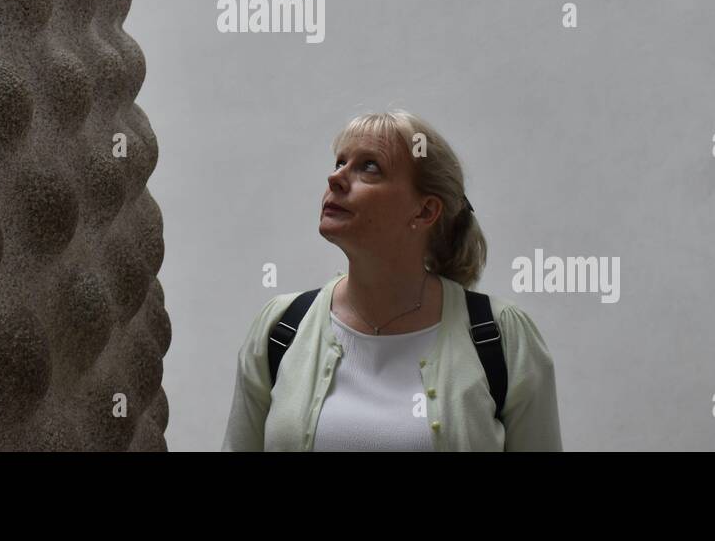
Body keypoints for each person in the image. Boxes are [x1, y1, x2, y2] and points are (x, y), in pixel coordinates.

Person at [221, 109, 562, 451]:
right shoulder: (281, 328)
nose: (335, 178)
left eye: (369, 167)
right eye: (340, 162)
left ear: (425, 211)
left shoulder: (500, 337)